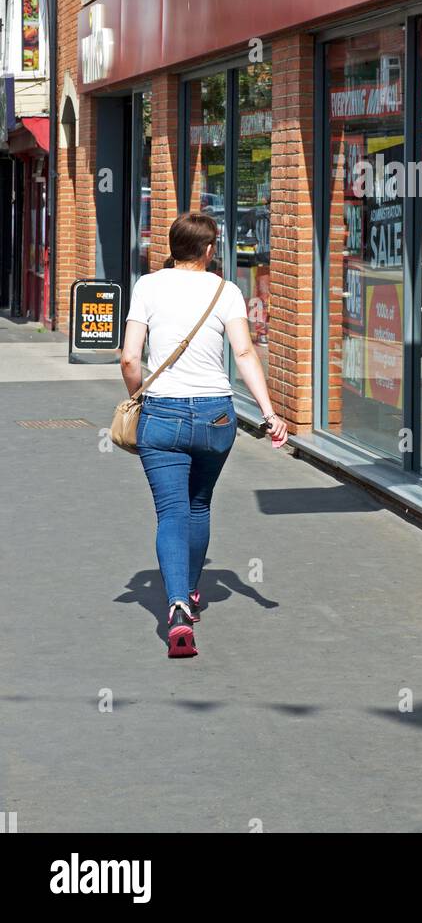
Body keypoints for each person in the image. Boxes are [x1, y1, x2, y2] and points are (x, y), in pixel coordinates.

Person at [120, 211, 288, 658]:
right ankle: (192, 591)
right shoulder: (226, 290)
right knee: (198, 504)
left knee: (171, 511)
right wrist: (270, 415)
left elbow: (130, 359)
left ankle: (176, 607)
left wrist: (139, 398)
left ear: (171, 246)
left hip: (163, 414)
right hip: (216, 416)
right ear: (210, 250)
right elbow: (246, 352)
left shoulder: (147, 286)